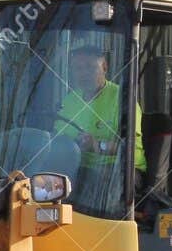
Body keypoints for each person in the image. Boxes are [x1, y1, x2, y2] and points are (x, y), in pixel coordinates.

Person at [57, 41, 145, 205]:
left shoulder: (123, 99)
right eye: (78, 68)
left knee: (86, 183)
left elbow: (129, 148)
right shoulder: (69, 101)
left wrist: (97, 145)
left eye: (90, 67)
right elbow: (57, 139)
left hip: (121, 171)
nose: (83, 73)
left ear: (104, 67)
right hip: (79, 169)